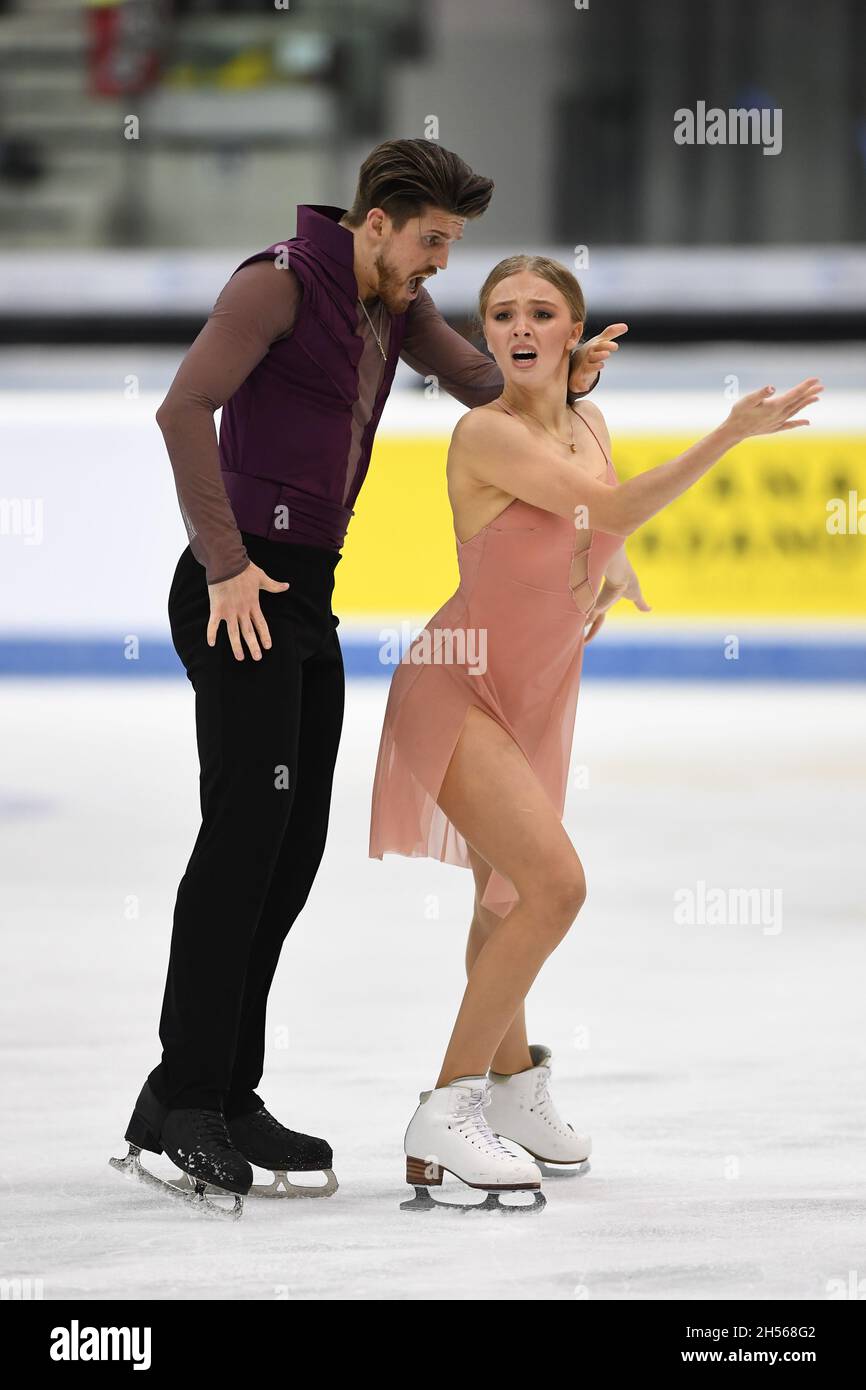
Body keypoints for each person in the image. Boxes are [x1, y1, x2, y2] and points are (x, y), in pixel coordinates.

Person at [110, 138, 625, 1215]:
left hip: (304, 597)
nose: (441, 262)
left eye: (451, 245)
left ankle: (226, 1089)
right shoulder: (277, 284)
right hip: (237, 590)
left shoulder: (395, 310)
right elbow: (181, 409)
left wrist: (565, 374)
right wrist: (226, 566)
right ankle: (180, 1095)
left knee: (288, 849)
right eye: (433, 240)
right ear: (379, 221)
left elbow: (484, 378)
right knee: (243, 837)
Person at [368, 253, 823, 1210]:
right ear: (486, 336)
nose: (519, 327)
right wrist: (729, 436)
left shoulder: (588, 421)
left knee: (502, 904)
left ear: (575, 333)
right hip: (457, 686)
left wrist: (608, 574)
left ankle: (516, 1093)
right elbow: (611, 506)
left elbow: (593, 530)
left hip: (539, 693)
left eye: (541, 311)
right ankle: (443, 1116)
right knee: (555, 886)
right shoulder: (481, 434)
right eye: (500, 315)